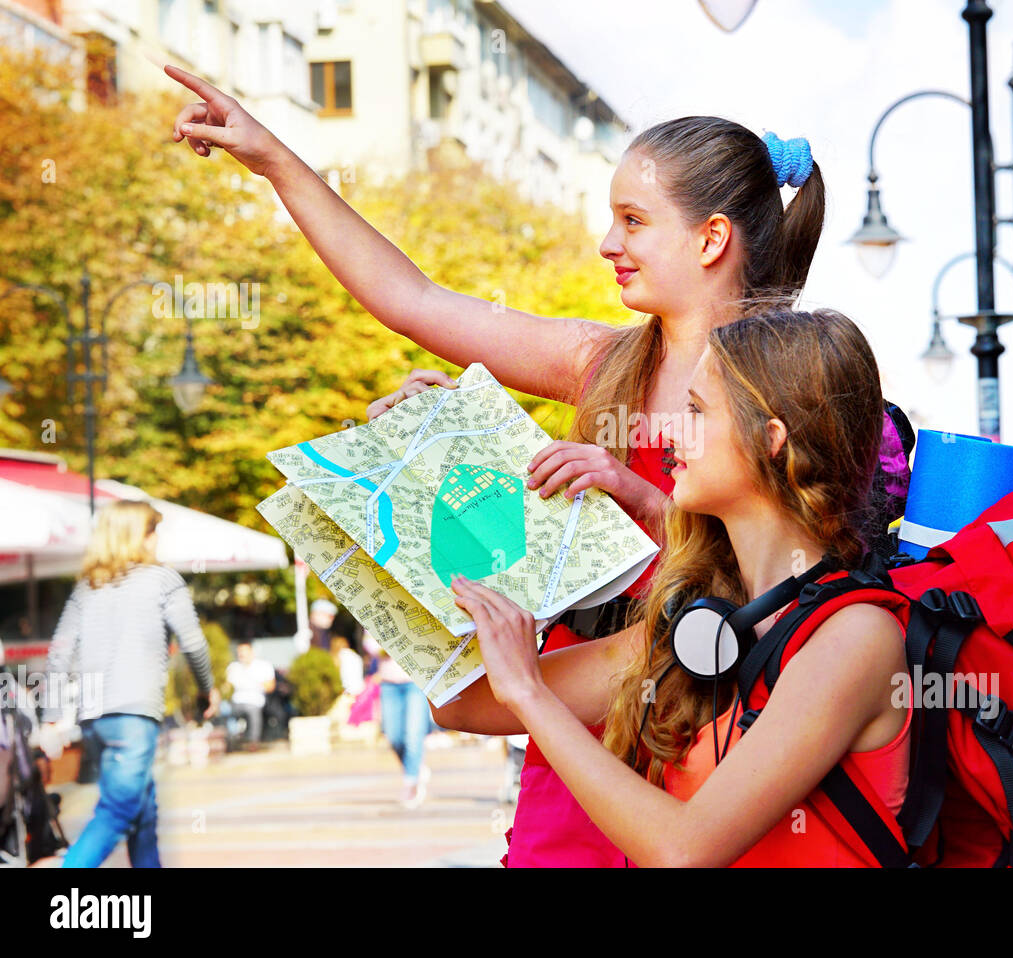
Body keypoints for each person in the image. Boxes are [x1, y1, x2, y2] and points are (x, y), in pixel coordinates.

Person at [163, 65, 909, 865]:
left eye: (633, 220)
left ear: (711, 238)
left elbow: (811, 556)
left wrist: (641, 500)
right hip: (603, 693)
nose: (607, 244)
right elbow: (413, 300)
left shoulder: (799, 382)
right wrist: (438, 448)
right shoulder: (606, 362)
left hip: (725, 701)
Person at [441, 308, 912, 867]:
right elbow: (460, 702)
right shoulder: (704, 620)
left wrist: (530, 693)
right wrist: (439, 447)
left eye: (696, 411)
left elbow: (684, 850)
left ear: (771, 439)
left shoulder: (855, 637)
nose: (670, 433)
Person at [43, 501, 218, 868]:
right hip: (133, 715)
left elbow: (58, 653)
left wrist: (53, 716)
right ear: (138, 536)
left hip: (93, 719)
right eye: (152, 531)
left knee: (143, 813)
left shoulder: (86, 587)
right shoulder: (163, 580)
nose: (157, 540)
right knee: (117, 812)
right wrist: (207, 689)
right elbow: (193, 643)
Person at [374, 646, 434, 808]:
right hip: (388, 683)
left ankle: (411, 782)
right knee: (393, 736)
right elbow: (370, 645)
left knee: (413, 734)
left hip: (415, 681)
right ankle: (415, 767)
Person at [225, 639, 275, 751]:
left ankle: (253, 742)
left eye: (244, 653)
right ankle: (229, 741)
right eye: (240, 653)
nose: (242, 655)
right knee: (224, 710)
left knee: (252, 710)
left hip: (254, 700)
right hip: (236, 701)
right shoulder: (233, 667)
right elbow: (227, 687)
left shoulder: (263, 666)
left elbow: (270, 686)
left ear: (251, 652)